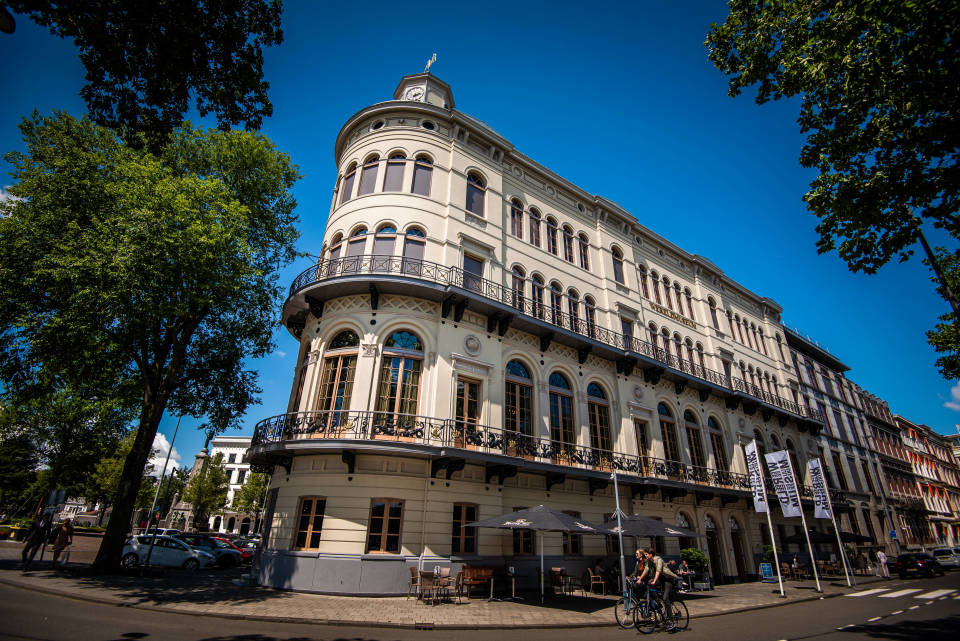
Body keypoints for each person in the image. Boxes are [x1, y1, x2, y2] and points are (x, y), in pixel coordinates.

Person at [646, 547, 681, 627]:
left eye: (646, 554)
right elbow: (646, 569)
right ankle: (658, 603)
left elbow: (658, 571)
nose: (645, 556)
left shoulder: (658, 559)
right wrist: (640, 579)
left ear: (651, 554)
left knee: (665, 598)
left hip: (668, 579)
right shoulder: (649, 561)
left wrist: (654, 581)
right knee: (649, 588)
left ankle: (671, 620)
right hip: (661, 580)